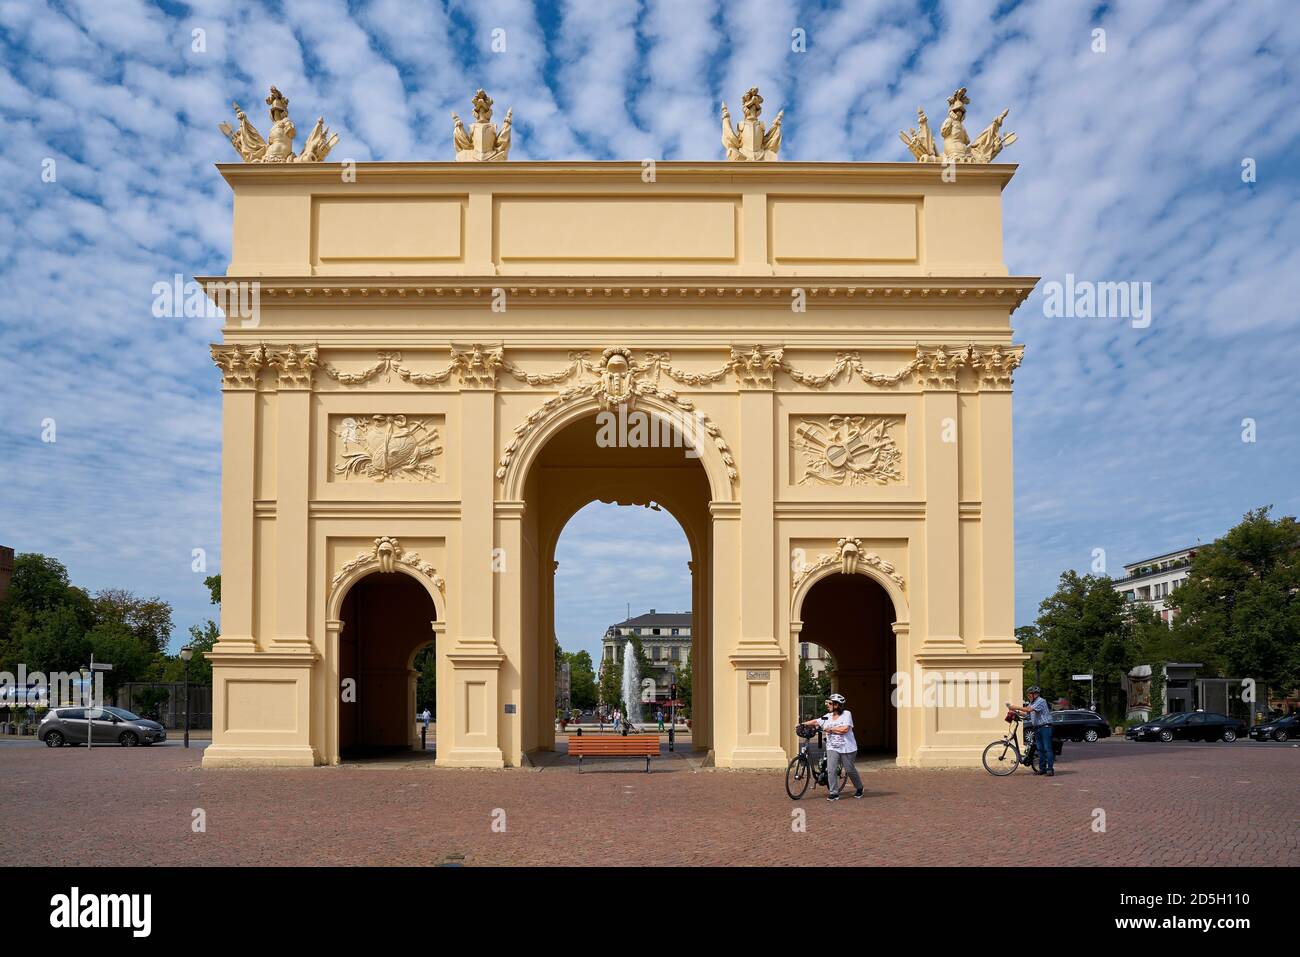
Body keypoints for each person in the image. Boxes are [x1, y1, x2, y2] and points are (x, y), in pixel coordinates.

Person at [800, 693, 864, 801]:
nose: (827, 705)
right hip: (832, 747)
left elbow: (845, 729)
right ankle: (834, 793)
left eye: (830, 703)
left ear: (837, 705)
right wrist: (802, 724)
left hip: (847, 747)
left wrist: (830, 730)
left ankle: (859, 787)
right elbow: (816, 721)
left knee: (849, 769)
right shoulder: (828, 716)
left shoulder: (847, 714)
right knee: (831, 769)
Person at [1010, 686, 1054, 776]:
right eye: (1028, 694)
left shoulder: (1041, 701)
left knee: (1047, 749)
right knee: (1040, 749)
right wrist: (1016, 711)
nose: (1029, 696)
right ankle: (1042, 769)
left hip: (1045, 727)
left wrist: (1016, 707)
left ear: (1036, 694)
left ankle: (1050, 769)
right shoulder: (1032, 703)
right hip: (1037, 728)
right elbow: (1026, 714)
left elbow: (1029, 709)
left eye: (1030, 694)